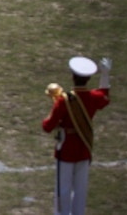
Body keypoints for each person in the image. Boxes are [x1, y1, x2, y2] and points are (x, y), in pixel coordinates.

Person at [42, 56, 111, 215]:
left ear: (73, 77)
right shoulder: (93, 97)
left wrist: (55, 108)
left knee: (63, 189)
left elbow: (47, 126)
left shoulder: (64, 100)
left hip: (66, 150)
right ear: (88, 79)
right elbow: (104, 96)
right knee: (80, 190)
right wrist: (105, 75)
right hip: (84, 149)